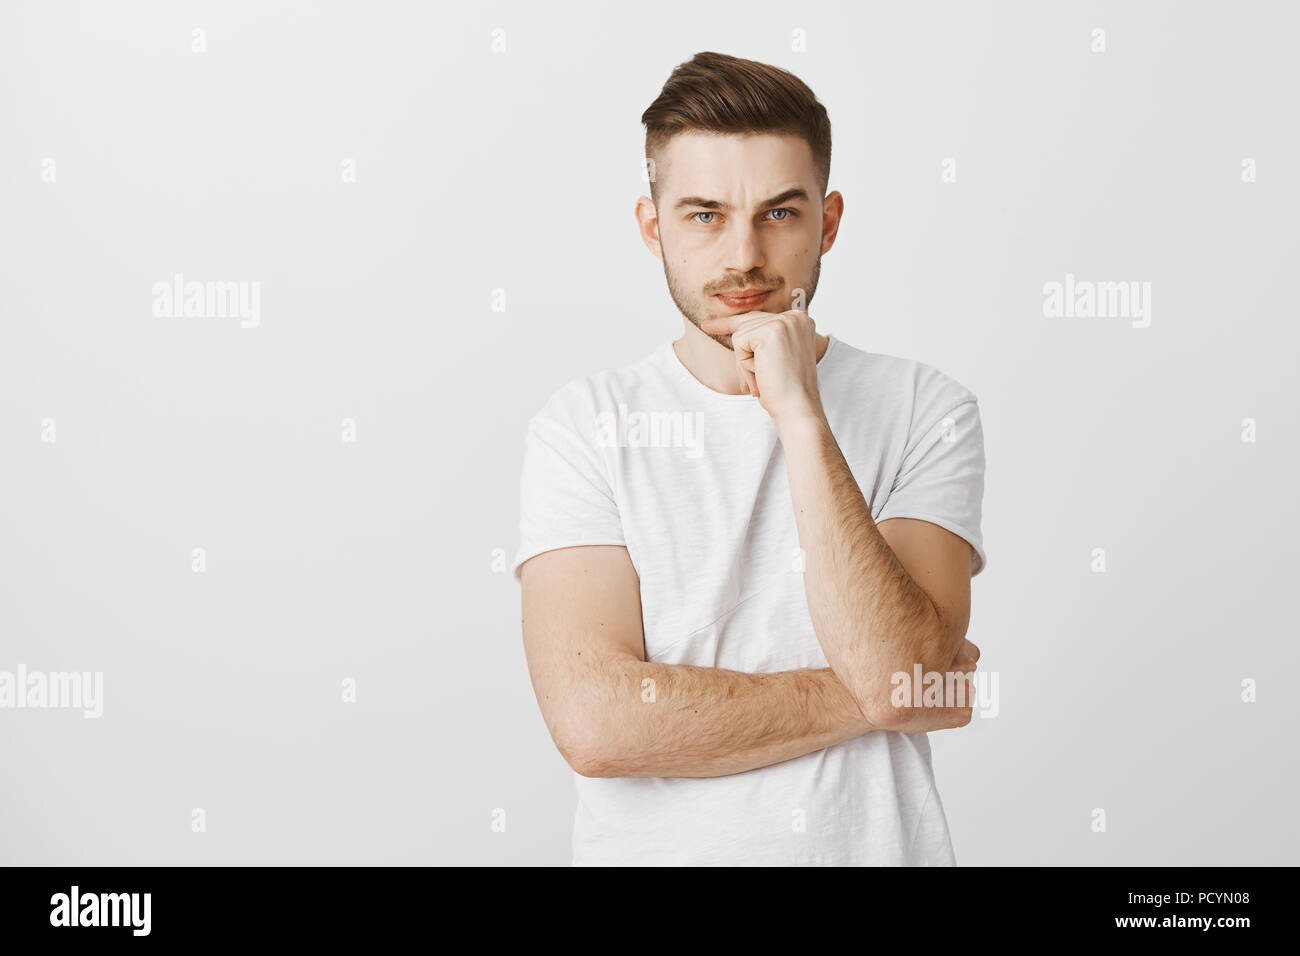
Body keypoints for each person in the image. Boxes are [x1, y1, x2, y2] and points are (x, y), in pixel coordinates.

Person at [512, 51, 986, 865]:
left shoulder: (926, 409)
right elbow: (595, 724)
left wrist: (800, 414)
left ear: (829, 222)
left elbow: (897, 667)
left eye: (779, 214)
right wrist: (879, 698)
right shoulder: (582, 427)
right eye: (703, 215)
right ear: (652, 225)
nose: (743, 258)